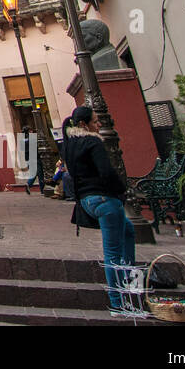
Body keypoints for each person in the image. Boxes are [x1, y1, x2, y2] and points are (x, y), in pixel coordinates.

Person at [62, 104, 136, 315]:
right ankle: (118, 301)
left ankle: (128, 277)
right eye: (96, 121)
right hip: (104, 199)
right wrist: (121, 191)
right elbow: (106, 172)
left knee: (128, 231)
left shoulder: (70, 144)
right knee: (112, 252)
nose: (100, 124)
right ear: (84, 124)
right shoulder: (92, 141)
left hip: (87, 201)